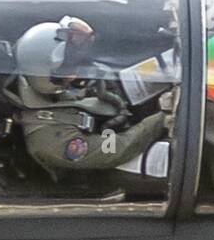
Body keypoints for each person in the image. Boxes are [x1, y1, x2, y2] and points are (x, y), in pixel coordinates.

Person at [13, 18, 165, 174]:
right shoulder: (48, 142)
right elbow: (112, 150)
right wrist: (163, 119)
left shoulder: (57, 82)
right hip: (105, 169)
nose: (80, 68)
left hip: (115, 123)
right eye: (72, 65)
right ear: (55, 79)